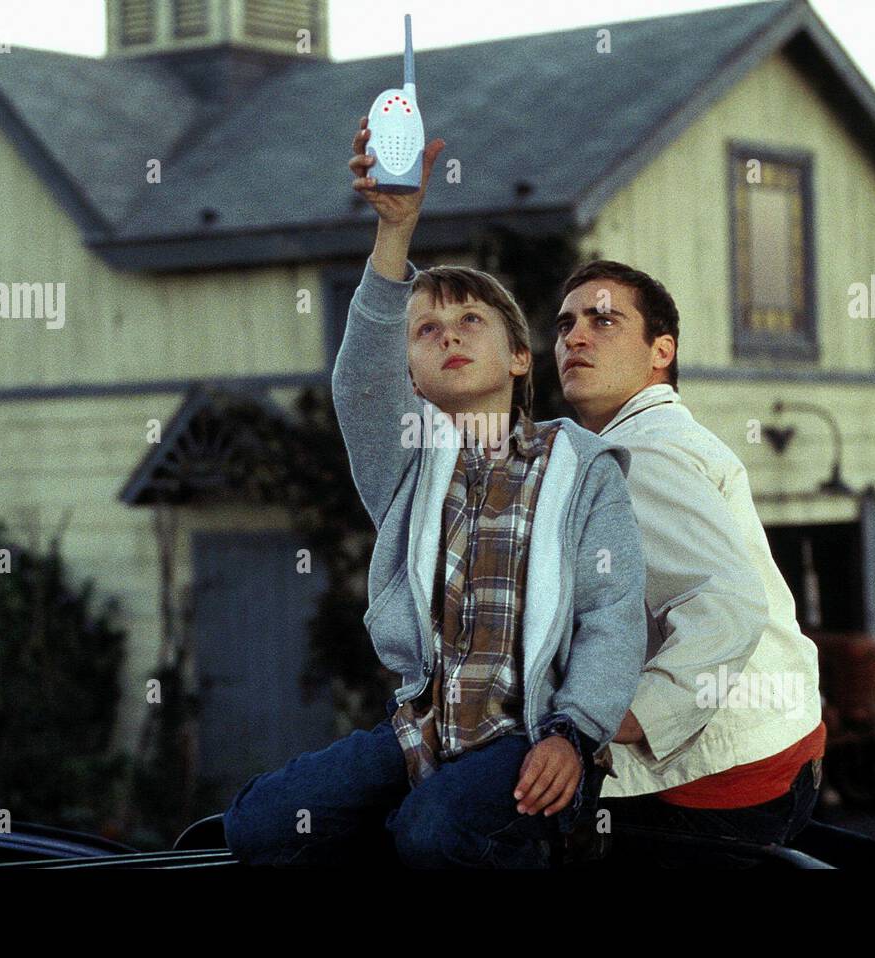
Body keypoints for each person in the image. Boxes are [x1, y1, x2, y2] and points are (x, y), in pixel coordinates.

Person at [221, 119, 648, 868]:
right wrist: (395, 230)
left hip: (534, 736)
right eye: (425, 331)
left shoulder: (581, 468)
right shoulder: (409, 459)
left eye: (470, 320)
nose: (447, 335)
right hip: (421, 729)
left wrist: (576, 732)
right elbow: (359, 381)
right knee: (258, 825)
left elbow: (612, 616)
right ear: (412, 375)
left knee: (434, 831)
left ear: (520, 356)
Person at [552, 260, 826, 867]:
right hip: (777, 742)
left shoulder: (640, 453)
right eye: (566, 324)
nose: (575, 337)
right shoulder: (654, 437)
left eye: (603, 321)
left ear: (661, 351)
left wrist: (628, 716)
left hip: (724, 779)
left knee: (499, 818)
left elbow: (727, 604)